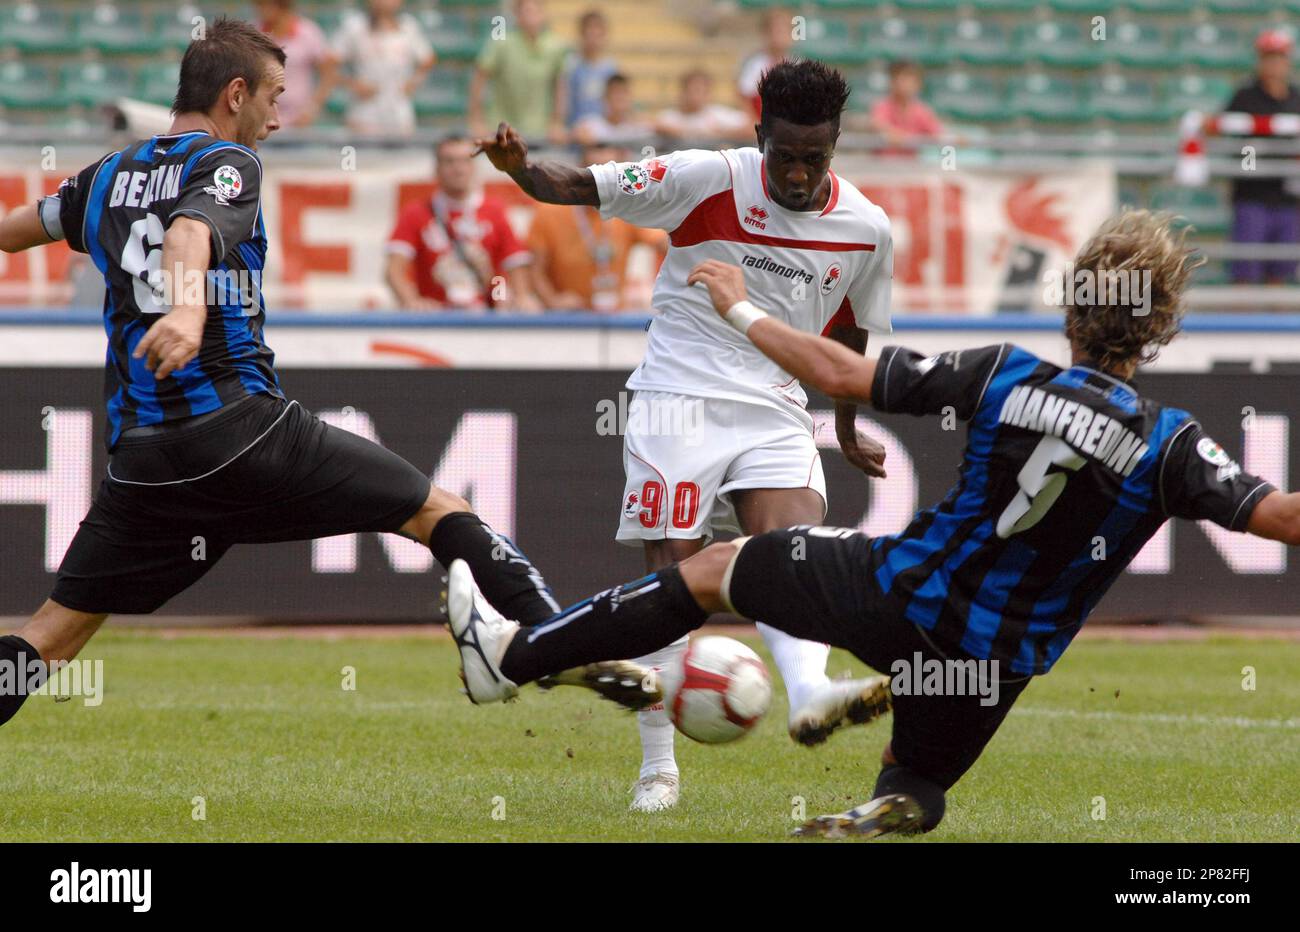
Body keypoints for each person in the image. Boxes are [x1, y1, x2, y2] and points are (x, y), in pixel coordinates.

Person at [446, 208, 1296, 838]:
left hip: (899, 596)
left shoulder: (1003, 374)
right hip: (991, 667)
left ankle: (514, 656)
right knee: (921, 781)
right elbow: (1281, 518)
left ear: (1076, 309)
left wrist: (744, 310)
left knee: (713, 570)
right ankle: (885, 809)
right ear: (1159, 332)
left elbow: (845, 376)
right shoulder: (1174, 444)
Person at [0, 17, 628, 730]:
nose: (277, 115)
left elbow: (17, 227)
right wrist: (187, 312)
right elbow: (187, 231)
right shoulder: (228, 164)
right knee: (434, 510)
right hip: (239, 431)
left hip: (147, 463)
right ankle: (556, 643)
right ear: (234, 93)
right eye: (272, 96)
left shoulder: (107, 175)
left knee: (49, 636)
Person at [474, 59, 893, 812]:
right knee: (673, 578)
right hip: (678, 396)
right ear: (760, 135)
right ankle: (658, 769)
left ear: (836, 145)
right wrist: (521, 169)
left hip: (774, 400)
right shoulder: (704, 177)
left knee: (790, 554)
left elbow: (852, 337)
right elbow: (581, 186)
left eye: (815, 159)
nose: (798, 175)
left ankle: (808, 693)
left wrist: (847, 427)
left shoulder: (866, 229)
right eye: (785, 156)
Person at [385, 136, 538, 312]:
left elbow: (515, 263)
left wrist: (520, 298)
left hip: (485, 317)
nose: (458, 169)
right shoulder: (416, 213)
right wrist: (412, 301)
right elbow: (393, 271)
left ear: (474, 167)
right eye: (449, 162)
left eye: (465, 161)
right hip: (436, 318)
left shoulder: (495, 211)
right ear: (436, 169)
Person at [526, 144, 667, 312]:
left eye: (609, 178)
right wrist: (553, 301)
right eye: (596, 177)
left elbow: (666, 244)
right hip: (567, 319)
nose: (602, 185)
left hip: (616, 315)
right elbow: (534, 269)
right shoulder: (549, 211)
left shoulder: (628, 207)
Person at [1226, 29, 1300, 285]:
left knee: (1280, 273)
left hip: (1288, 198)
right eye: (1268, 57)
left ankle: (1276, 324)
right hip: (1252, 196)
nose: (1274, 64)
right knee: (1245, 273)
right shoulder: (1245, 97)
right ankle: (1241, 322)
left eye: (1279, 57)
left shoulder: (1296, 98)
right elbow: (1223, 130)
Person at [469, 0, 568, 144]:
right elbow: (479, 79)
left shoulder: (555, 46)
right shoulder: (500, 43)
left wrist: (557, 122)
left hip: (540, 132)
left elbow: (560, 87)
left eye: (536, 11)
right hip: (501, 131)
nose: (531, 17)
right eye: (526, 11)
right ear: (517, 15)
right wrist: (476, 120)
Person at [332, 0, 434, 137]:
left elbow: (427, 59)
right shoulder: (355, 26)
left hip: (399, 112)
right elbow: (329, 63)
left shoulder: (408, 26)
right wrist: (352, 84)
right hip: (364, 112)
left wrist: (413, 82)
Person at [255, 0, 338, 128]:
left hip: (299, 121)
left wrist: (311, 109)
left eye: (264, 5)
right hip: (263, 119)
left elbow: (328, 74)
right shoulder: (255, 32)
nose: (260, 10)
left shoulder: (308, 31)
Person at [655, 69, 752, 145]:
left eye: (703, 91)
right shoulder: (669, 117)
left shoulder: (717, 115)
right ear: (683, 92)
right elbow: (652, 125)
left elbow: (750, 129)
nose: (697, 96)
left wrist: (718, 135)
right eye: (694, 90)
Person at [868, 60, 943, 155]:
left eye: (911, 80)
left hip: (911, 166)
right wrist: (897, 136)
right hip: (883, 166)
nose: (906, 85)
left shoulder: (921, 110)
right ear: (892, 81)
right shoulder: (881, 106)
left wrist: (953, 139)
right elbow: (878, 125)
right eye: (902, 79)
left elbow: (937, 133)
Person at [565, 9, 618, 131]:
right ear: (582, 34)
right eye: (589, 32)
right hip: (575, 134)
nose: (593, 38)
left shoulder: (611, 69)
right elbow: (564, 102)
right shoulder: (571, 66)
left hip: (602, 135)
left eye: (598, 33)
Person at [737, 8, 794, 119]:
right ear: (766, 34)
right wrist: (753, 121)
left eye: (783, 31)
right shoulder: (755, 64)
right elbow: (744, 96)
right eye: (775, 31)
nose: (779, 36)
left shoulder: (797, 65)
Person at [571, 74, 654, 149]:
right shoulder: (591, 124)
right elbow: (576, 134)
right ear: (605, 97)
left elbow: (662, 127)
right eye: (615, 92)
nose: (620, 97)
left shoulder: (641, 125)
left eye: (624, 92)